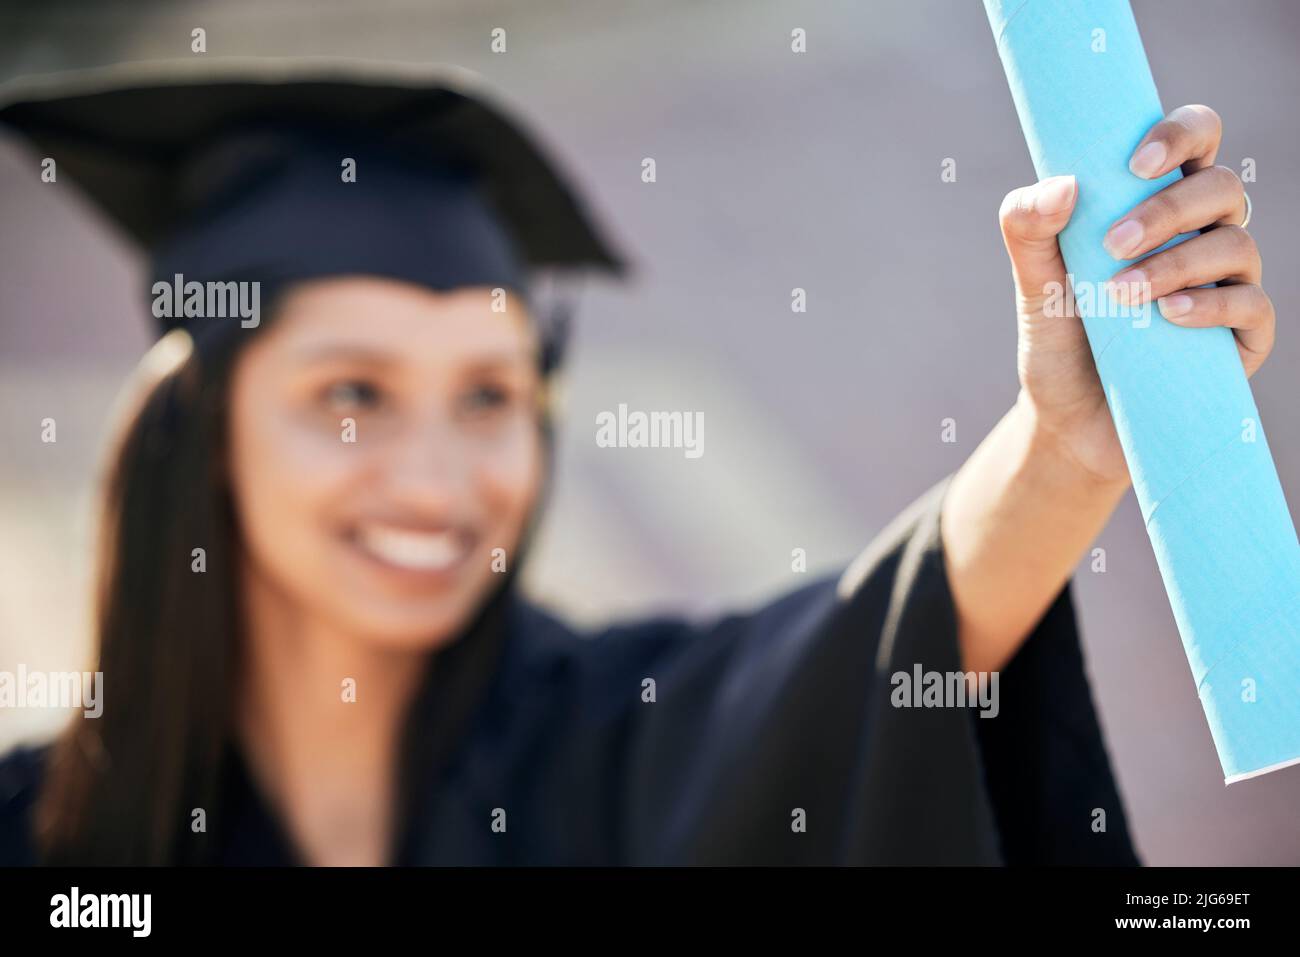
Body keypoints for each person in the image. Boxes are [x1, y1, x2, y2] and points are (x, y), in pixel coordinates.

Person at [0, 60, 1270, 865]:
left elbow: (860, 668)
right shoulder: (42, 839)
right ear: (201, 429)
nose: (442, 479)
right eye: (352, 395)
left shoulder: (610, 749)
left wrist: (1062, 446)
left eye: (491, 395)